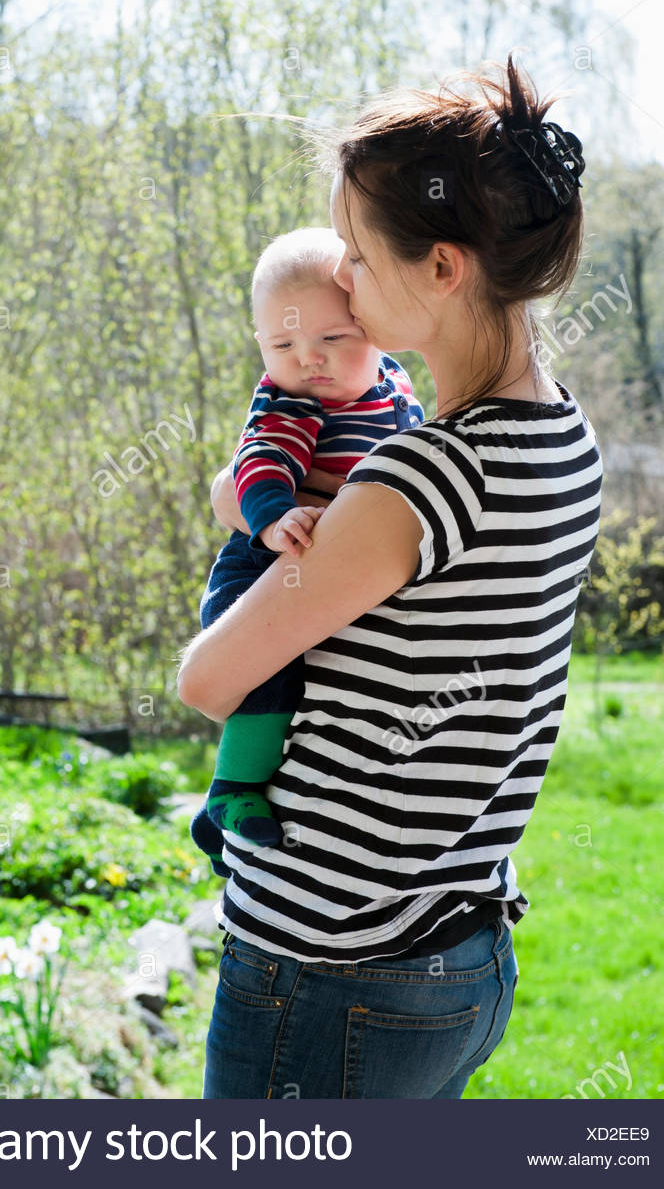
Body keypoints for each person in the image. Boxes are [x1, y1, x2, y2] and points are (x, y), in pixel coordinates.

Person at [177, 52, 603, 1100]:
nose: (342, 285)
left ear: (444, 266)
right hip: (459, 945)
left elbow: (208, 680)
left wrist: (241, 512)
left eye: (357, 259)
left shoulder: (414, 477)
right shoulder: (563, 439)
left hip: (328, 967)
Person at [190, 226, 425, 876]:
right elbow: (260, 463)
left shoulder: (394, 387)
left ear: (371, 329)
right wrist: (271, 520)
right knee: (272, 676)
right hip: (261, 559)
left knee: (317, 687)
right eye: (281, 344)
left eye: (331, 339)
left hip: (324, 562)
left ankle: (229, 812)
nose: (307, 359)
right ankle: (231, 792)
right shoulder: (290, 401)